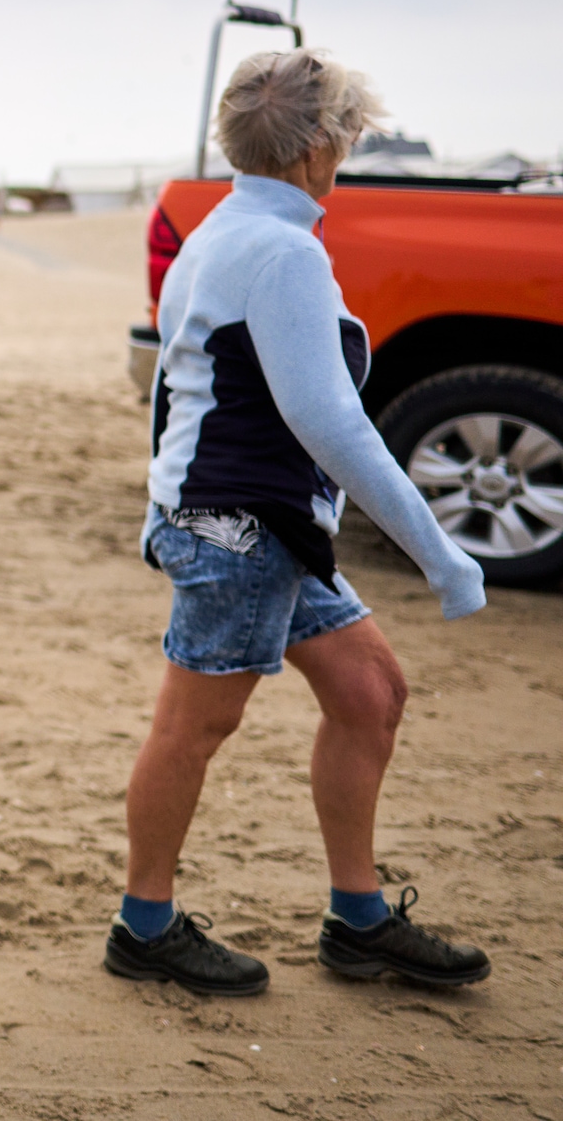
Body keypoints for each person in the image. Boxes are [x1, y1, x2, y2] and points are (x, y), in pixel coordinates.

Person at [109, 49, 489, 997]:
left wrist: (163, 499)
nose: (351, 148)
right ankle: (143, 927)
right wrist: (441, 554)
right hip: (237, 529)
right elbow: (332, 426)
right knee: (193, 729)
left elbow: (174, 379)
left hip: (263, 526)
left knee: (370, 694)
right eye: (350, 133)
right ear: (321, 148)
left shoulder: (225, 227)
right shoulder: (280, 250)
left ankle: (358, 922)